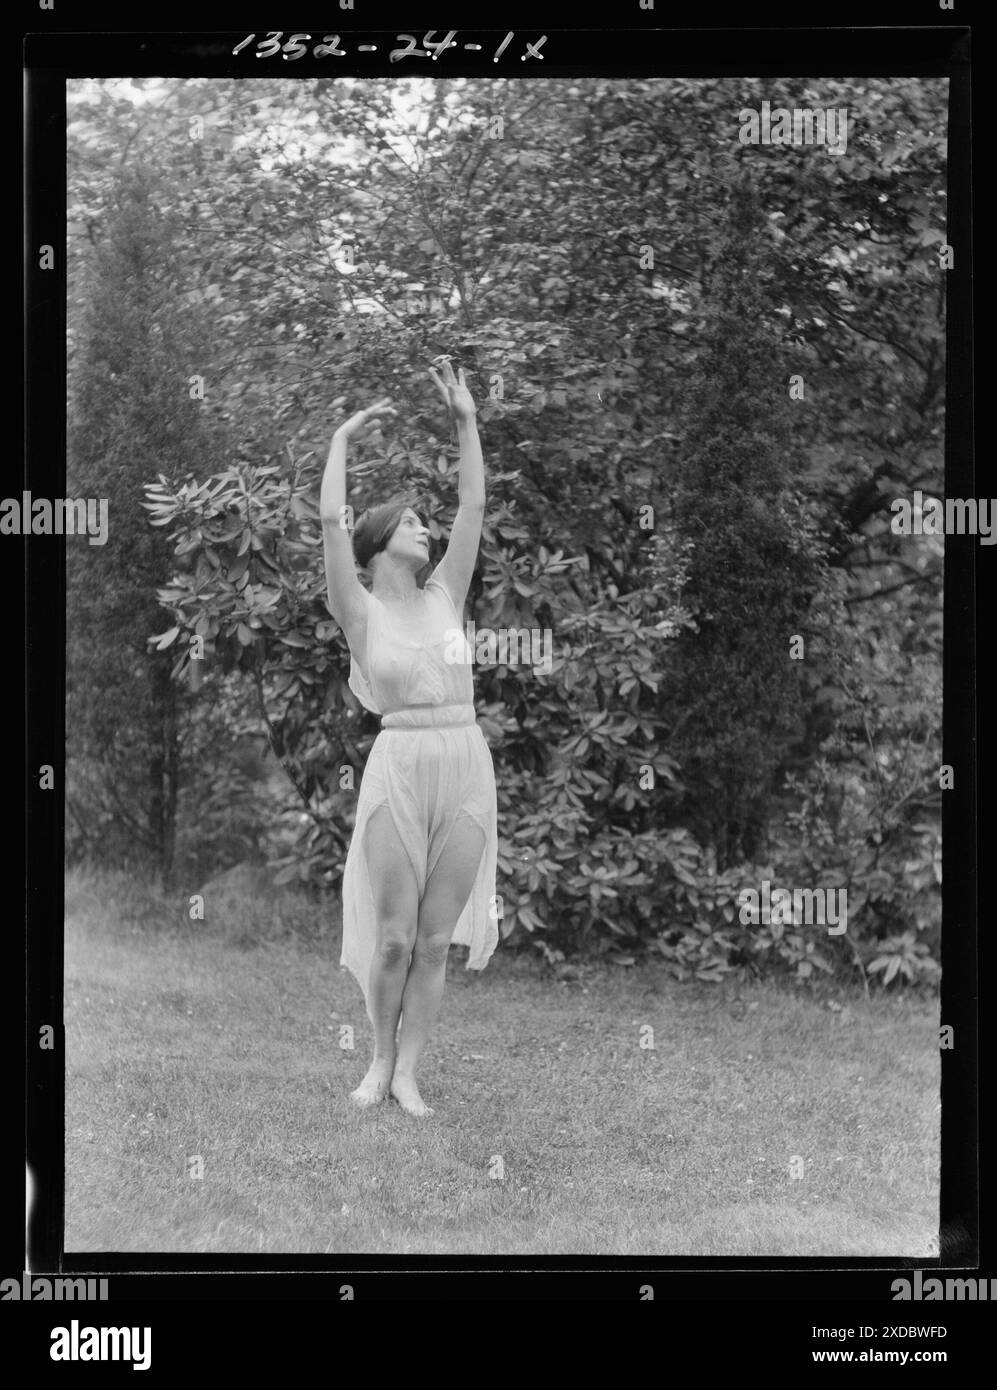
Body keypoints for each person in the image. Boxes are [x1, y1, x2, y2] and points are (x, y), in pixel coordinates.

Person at [320, 359, 498, 1117]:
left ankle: (409, 1073)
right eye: (411, 523)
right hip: (398, 763)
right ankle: (378, 1058)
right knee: (392, 939)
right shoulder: (358, 610)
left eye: (426, 523)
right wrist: (340, 439)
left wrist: (465, 420)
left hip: (463, 760)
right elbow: (329, 521)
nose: (427, 529)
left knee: (434, 940)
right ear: (380, 541)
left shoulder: (445, 594)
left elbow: (473, 504)